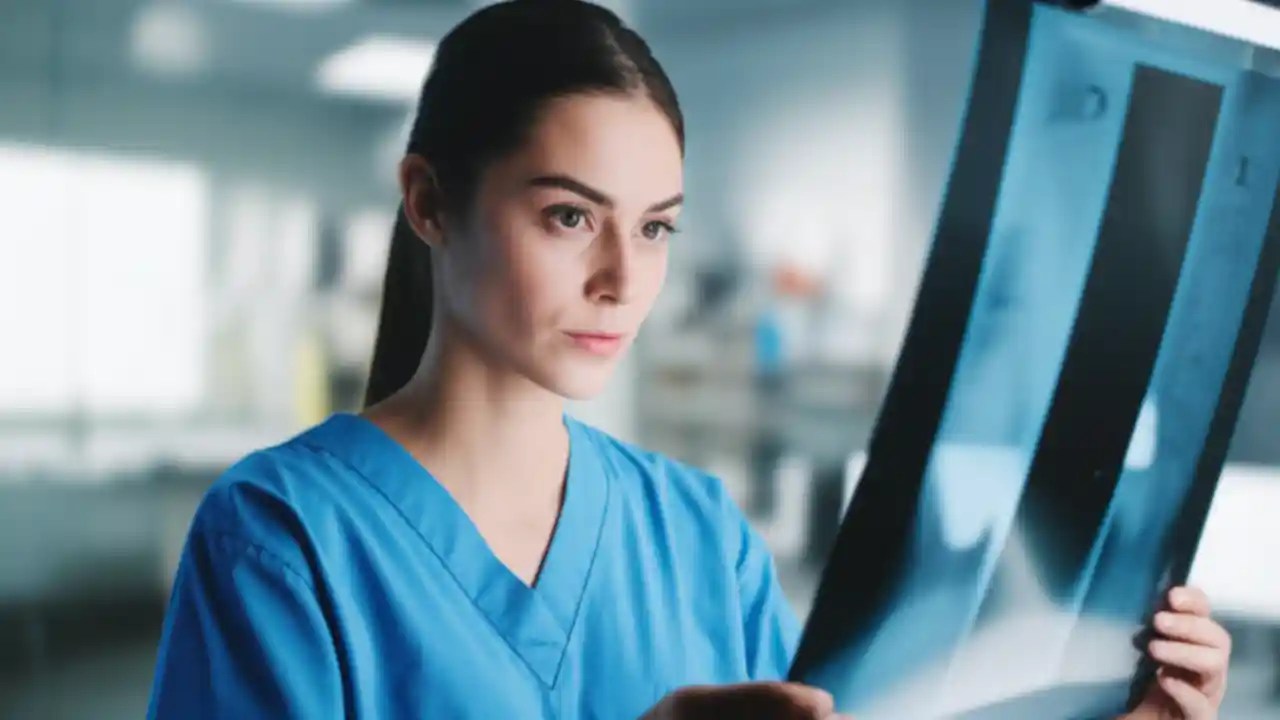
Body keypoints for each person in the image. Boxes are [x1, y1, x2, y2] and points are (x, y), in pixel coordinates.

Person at [145, 1, 1232, 718]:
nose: (625, 278)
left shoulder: (700, 535)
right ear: (429, 202)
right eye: (570, 218)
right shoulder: (282, 540)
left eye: (656, 226)